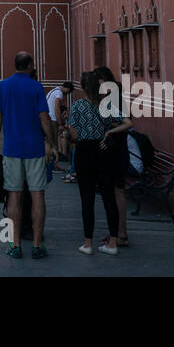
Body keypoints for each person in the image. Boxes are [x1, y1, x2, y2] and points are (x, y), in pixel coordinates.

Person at [0, 52, 56, 259]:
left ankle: (15, 244)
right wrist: (51, 143)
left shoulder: (4, 86)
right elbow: (44, 117)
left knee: (14, 197)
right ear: (28, 66)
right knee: (38, 196)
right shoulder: (36, 86)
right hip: (34, 149)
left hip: (12, 149)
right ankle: (37, 244)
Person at [68, 70, 122, 256]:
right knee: (109, 198)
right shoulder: (106, 105)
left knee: (87, 199)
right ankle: (113, 243)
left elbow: (73, 135)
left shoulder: (77, 106)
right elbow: (126, 122)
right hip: (103, 151)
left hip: (84, 152)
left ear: (83, 87)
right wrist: (107, 133)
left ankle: (88, 243)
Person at [94, 66, 135, 249]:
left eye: (99, 82)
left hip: (116, 151)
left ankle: (121, 234)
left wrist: (109, 132)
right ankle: (117, 232)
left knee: (116, 192)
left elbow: (127, 123)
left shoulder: (114, 97)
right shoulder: (114, 96)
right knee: (115, 192)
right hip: (115, 149)